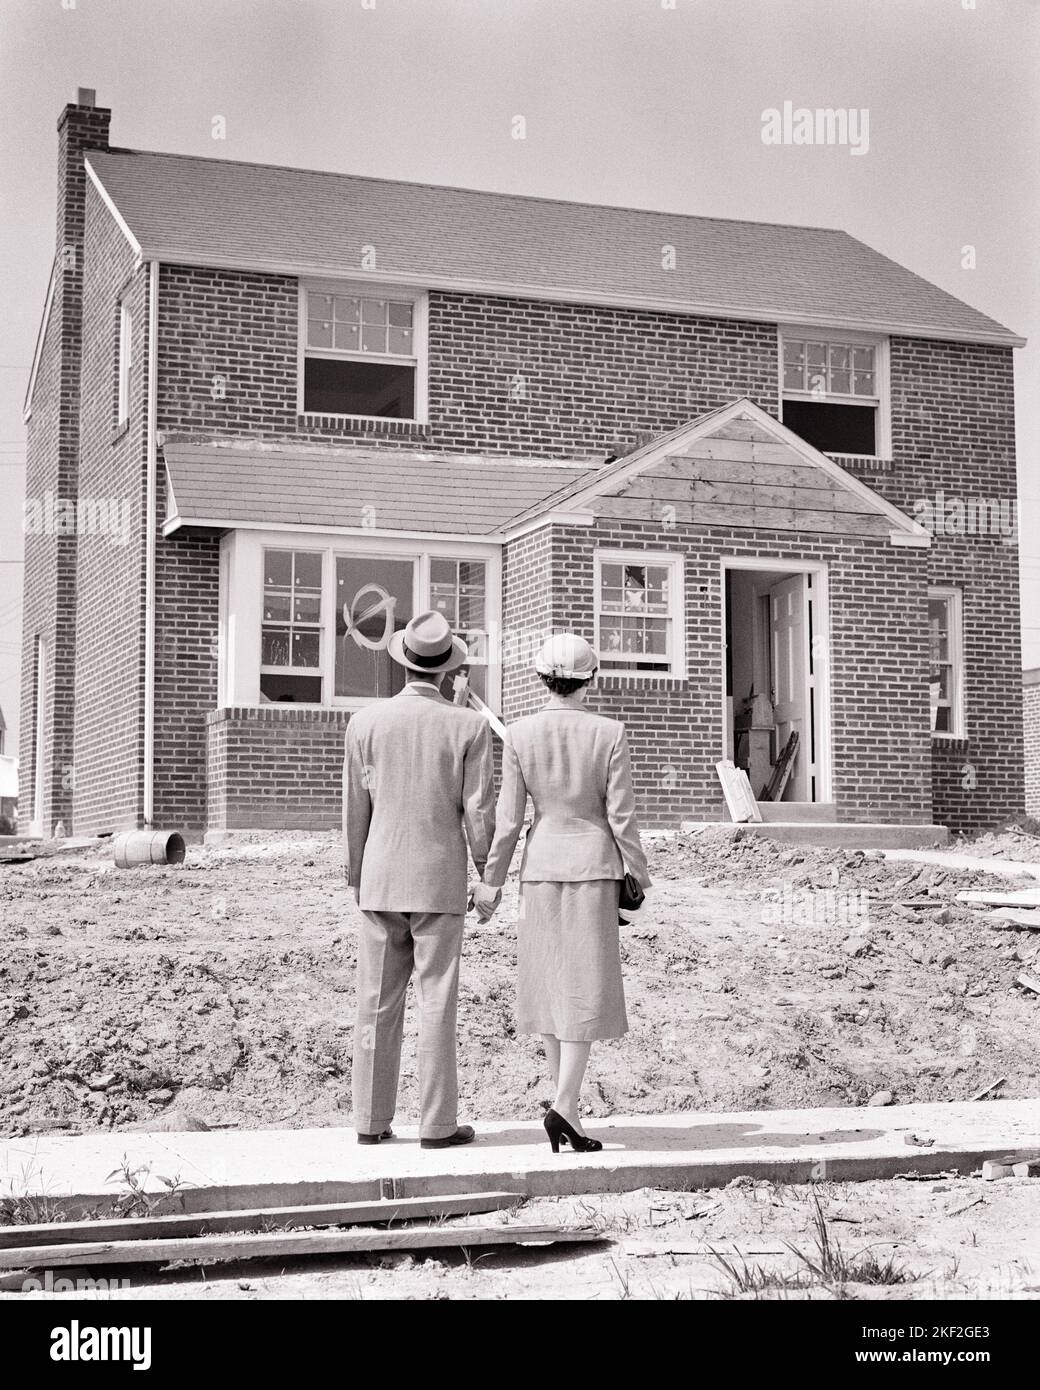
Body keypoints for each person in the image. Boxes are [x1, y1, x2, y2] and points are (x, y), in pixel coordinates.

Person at [473, 633, 650, 1153]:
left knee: (551, 986)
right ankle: (565, 1106)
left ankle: (563, 1103)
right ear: (589, 679)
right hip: (593, 866)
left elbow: (507, 821)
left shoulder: (521, 734)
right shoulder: (609, 732)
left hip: (540, 867)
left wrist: (490, 881)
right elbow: (622, 815)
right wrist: (636, 873)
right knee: (584, 987)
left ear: (540, 677)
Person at [343, 610, 495, 1148]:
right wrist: (487, 874)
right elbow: (479, 812)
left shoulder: (364, 723)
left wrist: (357, 873)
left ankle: (369, 1120)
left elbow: (354, 807)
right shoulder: (469, 726)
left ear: (403, 662)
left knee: (375, 1004)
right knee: (438, 1004)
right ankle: (436, 1125)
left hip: (381, 878)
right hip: (439, 881)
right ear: (449, 670)